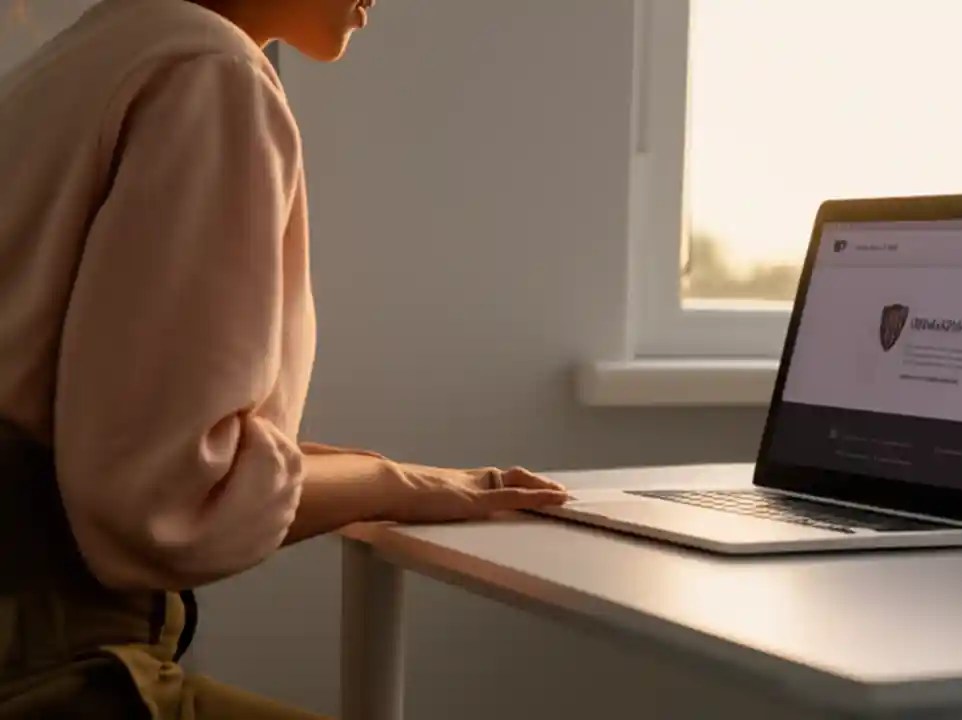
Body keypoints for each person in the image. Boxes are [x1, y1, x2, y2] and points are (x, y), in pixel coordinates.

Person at [0, 0, 569, 717]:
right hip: (58, 677)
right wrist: (385, 482)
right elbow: (166, 505)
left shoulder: (91, 53)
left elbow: (120, 443)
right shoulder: (210, 71)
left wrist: (400, 479)